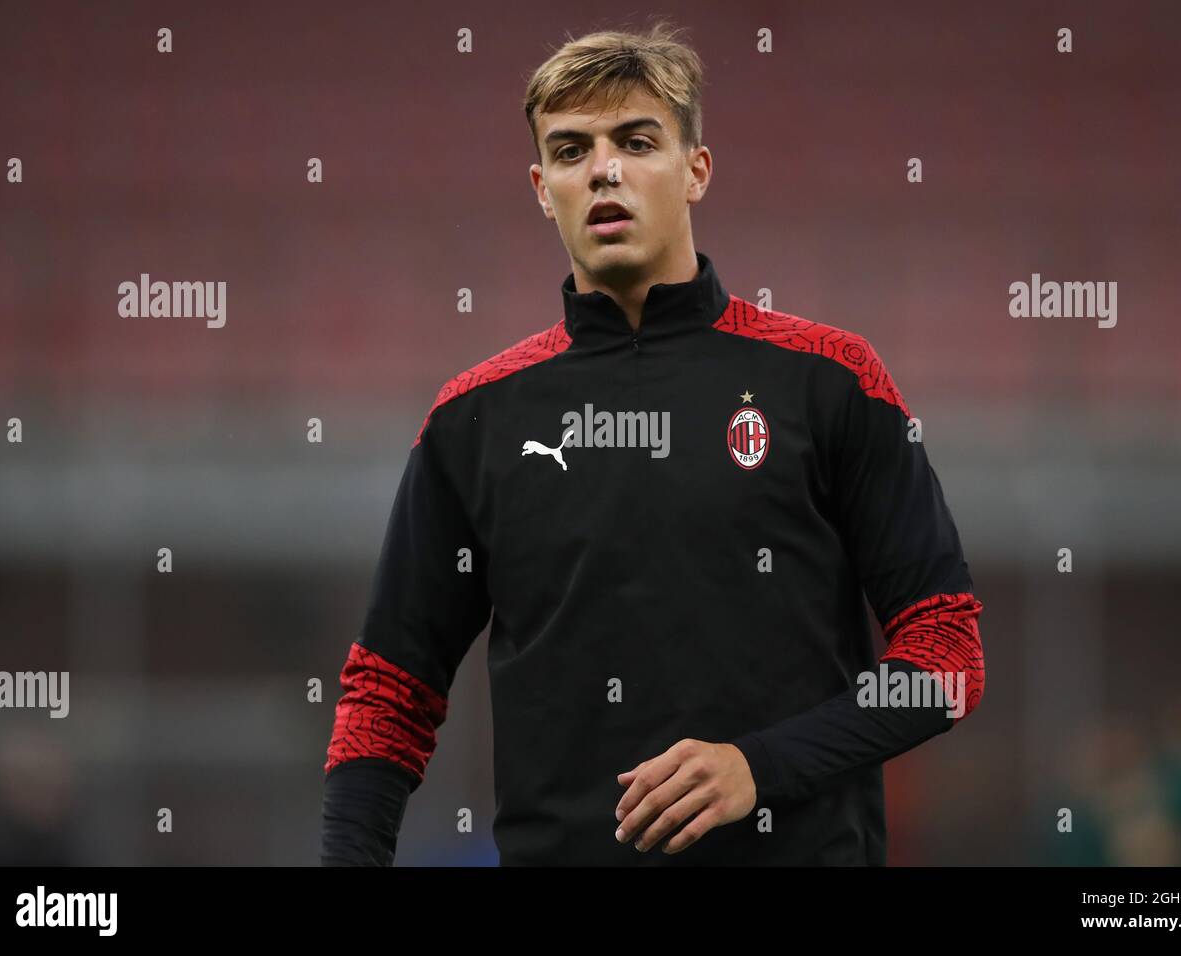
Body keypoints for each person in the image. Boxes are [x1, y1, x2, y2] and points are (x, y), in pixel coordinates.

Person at [321, 21, 985, 866]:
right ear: (540, 186)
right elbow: (389, 692)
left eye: (637, 141)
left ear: (696, 170)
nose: (604, 169)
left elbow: (947, 652)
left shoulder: (830, 380)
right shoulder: (474, 418)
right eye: (570, 151)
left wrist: (760, 767)